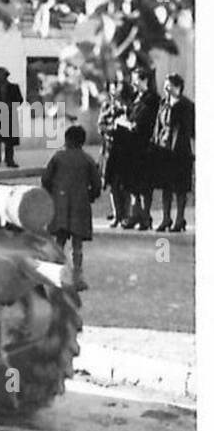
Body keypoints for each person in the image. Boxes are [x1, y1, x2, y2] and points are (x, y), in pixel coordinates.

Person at [41, 125, 101, 292]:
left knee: (59, 241)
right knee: (77, 244)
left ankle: (57, 275)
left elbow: (46, 178)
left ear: (66, 140)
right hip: (80, 205)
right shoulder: (87, 159)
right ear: (82, 142)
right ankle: (77, 277)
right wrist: (91, 196)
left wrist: (51, 194)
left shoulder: (58, 157)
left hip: (60, 204)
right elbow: (96, 184)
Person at [151, 73, 194, 233]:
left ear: (177, 87)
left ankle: (180, 219)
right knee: (166, 186)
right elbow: (158, 125)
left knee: (180, 188)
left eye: (169, 85)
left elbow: (188, 129)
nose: (166, 88)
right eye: (165, 85)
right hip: (164, 150)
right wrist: (155, 143)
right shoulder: (164, 103)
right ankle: (166, 218)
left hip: (180, 151)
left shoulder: (186, 105)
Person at [124, 64, 161, 229]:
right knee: (133, 182)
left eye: (136, 81)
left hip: (144, 145)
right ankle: (135, 213)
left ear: (145, 80)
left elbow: (145, 120)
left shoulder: (152, 99)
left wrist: (132, 123)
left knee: (145, 184)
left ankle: (146, 216)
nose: (133, 84)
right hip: (132, 146)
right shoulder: (135, 98)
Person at [97, 78, 136, 227]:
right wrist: (109, 129)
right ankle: (117, 214)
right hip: (109, 149)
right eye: (112, 89)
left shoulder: (129, 107)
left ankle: (126, 215)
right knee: (112, 182)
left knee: (124, 184)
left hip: (124, 149)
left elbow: (132, 126)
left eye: (116, 89)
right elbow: (100, 124)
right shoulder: (106, 106)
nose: (114, 92)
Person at [0, 67, 23, 168]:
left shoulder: (14, 87)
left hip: (9, 115)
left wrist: (9, 105)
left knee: (9, 141)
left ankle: (9, 160)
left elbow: (20, 100)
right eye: (0, 75)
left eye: (3, 75)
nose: (1, 77)